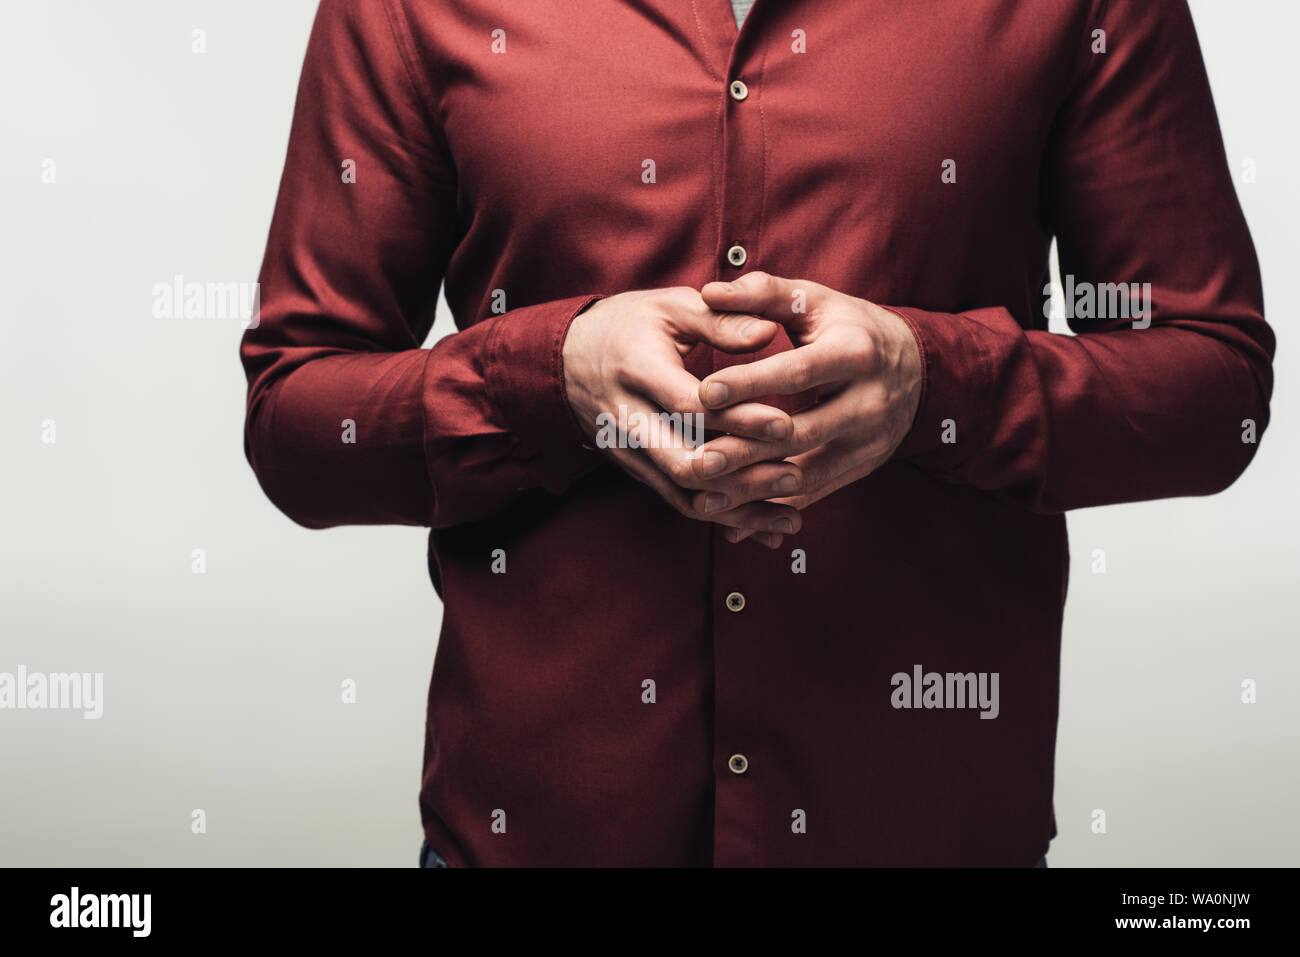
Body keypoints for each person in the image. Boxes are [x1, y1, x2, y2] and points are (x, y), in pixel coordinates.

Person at [241, 0, 1274, 866]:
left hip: (928, 830)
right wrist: (547, 376)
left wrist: (936, 382)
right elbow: (296, 417)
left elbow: (1212, 386)